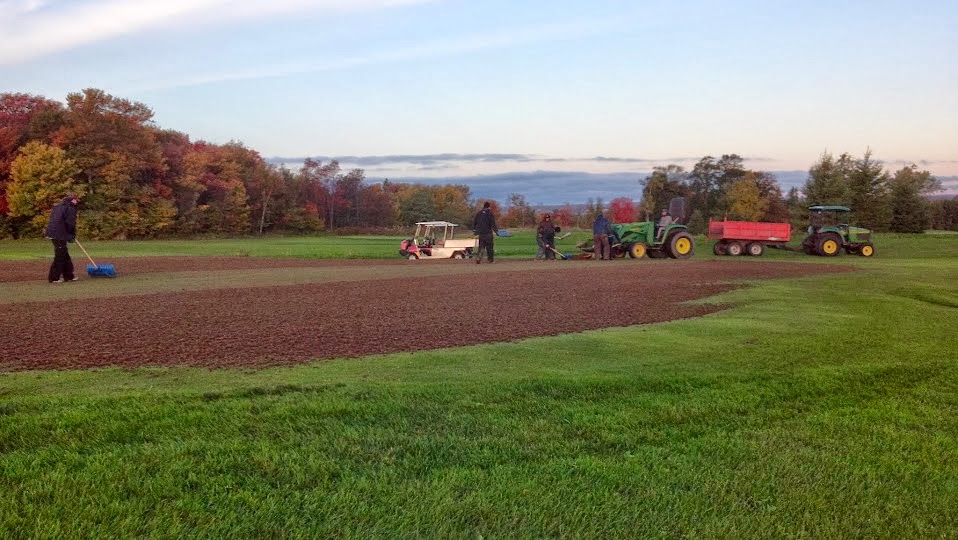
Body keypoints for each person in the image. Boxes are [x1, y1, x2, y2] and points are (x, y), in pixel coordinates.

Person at [45, 192, 79, 283]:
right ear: (73, 200)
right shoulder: (70, 208)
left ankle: (68, 276)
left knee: (64, 254)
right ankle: (54, 278)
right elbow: (70, 223)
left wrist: (69, 235)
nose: (77, 202)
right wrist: (71, 235)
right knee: (60, 255)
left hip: (54, 233)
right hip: (58, 234)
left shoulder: (58, 206)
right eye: (76, 200)